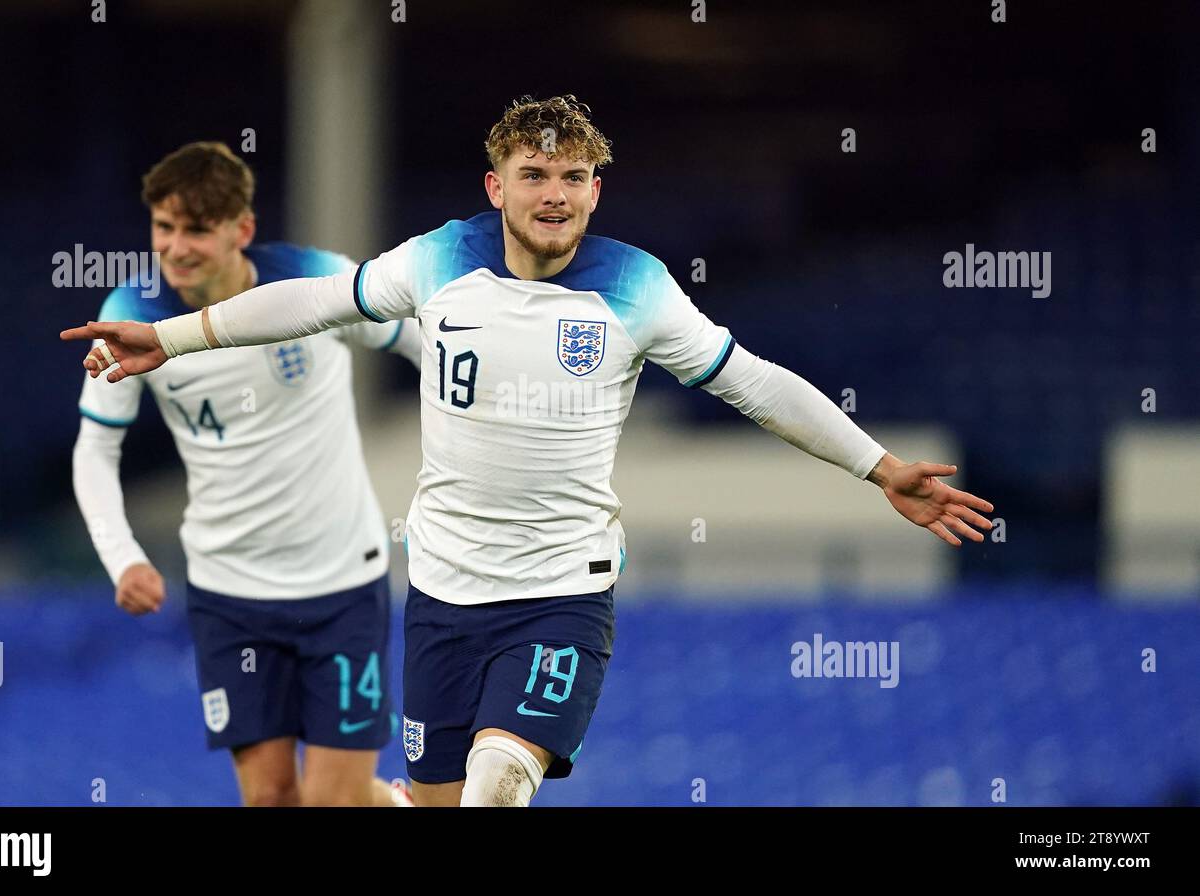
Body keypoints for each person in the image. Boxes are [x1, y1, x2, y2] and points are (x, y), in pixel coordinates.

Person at [63, 99, 994, 807]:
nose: (555, 193)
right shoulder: (440, 261)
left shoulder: (637, 288)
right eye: (535, 173)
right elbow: (315, 302)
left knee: (498, 779)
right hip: (441, 594)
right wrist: (177, 338)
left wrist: (880, 467)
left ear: (597, 188)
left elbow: (749, 379)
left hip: (561, 592)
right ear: (496, 186)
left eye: (575, 176)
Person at [71, 142, 419, 806]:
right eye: (164, 228)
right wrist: (124, 559)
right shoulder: (129, 314)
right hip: (229, 594)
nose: (175, 248)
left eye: (196, 229)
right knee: (268, 800)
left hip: (341, 584)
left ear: (242, 230)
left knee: (332, 803)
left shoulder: (313, 284)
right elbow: (96, 449)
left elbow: (415, 338)